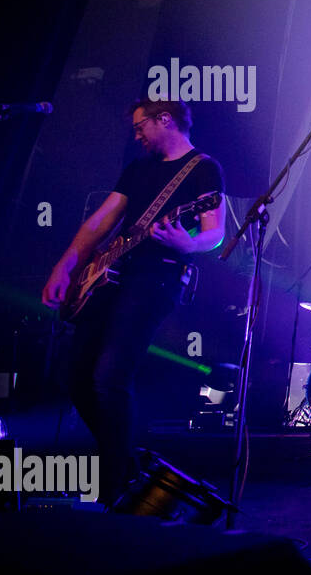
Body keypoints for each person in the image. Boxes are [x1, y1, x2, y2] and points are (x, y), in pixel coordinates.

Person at [41, 99, 226, 505]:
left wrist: (188, 243)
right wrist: (66, 266)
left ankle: (114, 486)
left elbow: (215, 231)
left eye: (141, 126)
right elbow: (99, 223)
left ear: (166, 120)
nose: (137, 134)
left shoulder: (204, 168)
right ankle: (125, 466)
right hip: (109, 277)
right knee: (75, 376)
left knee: (110, 378)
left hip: (155, 278)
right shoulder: (139, 169)